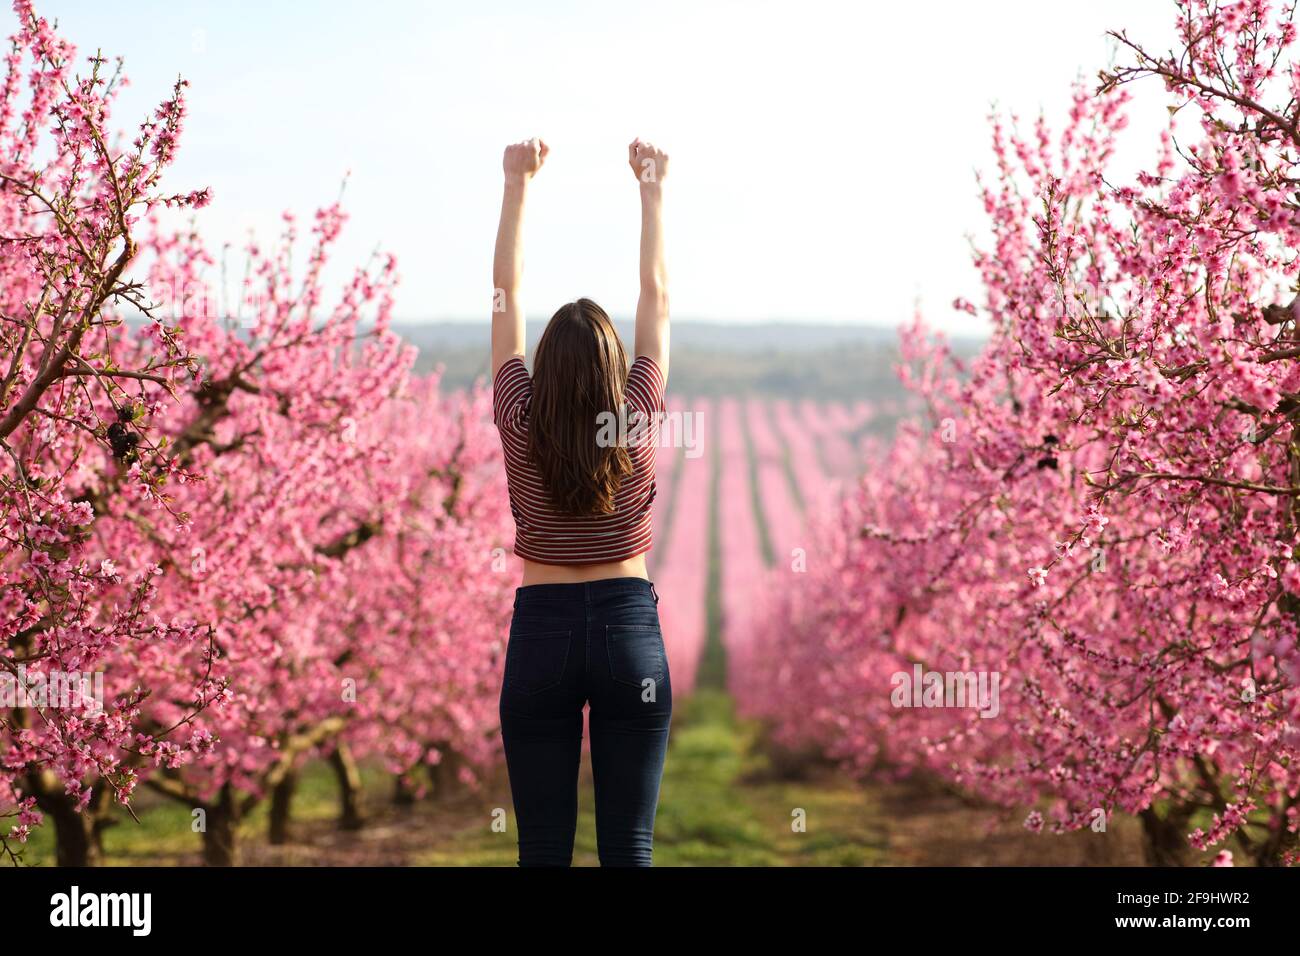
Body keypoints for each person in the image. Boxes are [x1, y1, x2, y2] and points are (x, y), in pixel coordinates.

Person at [491, 136, 671, 866]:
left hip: (541, 633)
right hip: (629, 631)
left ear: (541, 369)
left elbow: (507, 294)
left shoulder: (517, 412)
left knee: (541, 849)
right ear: (616, 369)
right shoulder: (636, 411)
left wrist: (516, 183)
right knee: (628, 845)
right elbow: (656, 295)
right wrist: (651, 186)